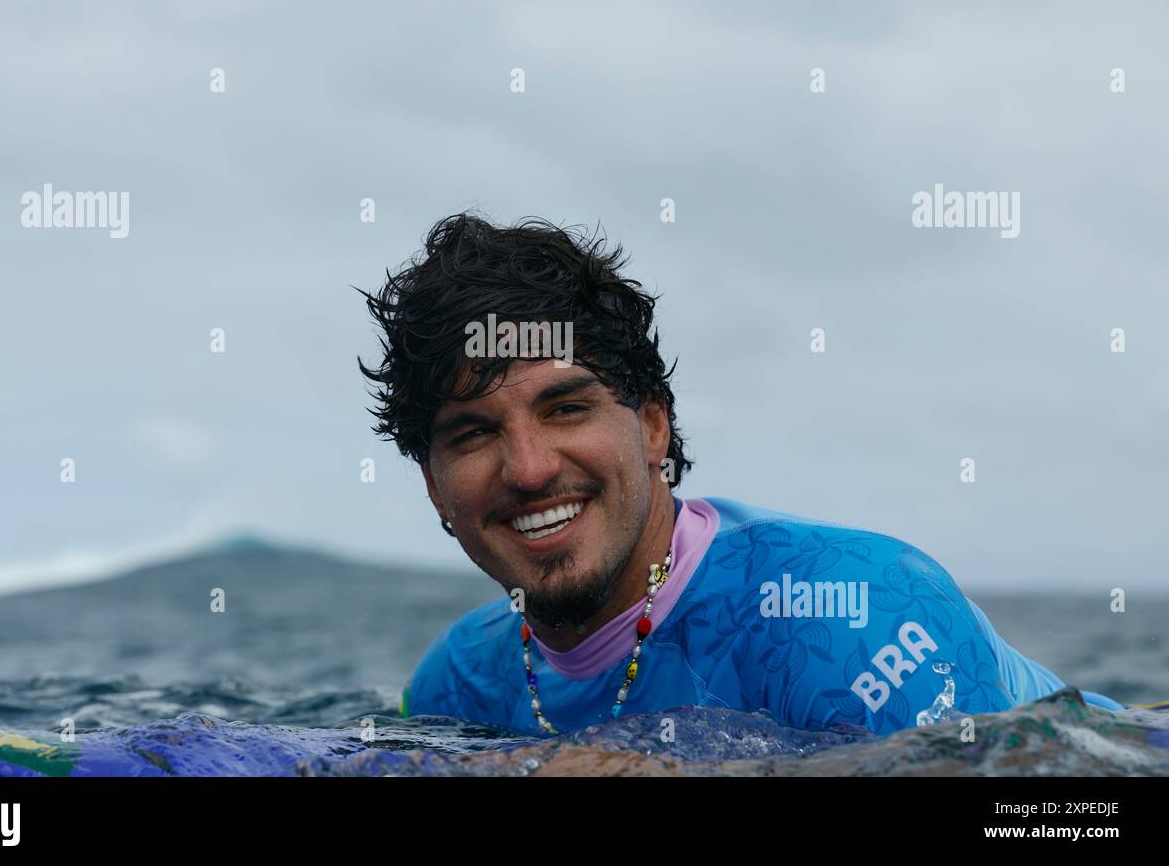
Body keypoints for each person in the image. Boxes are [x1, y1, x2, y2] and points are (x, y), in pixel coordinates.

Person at [356, 213, 1125, 737]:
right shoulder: (455, 686)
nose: (527, 469)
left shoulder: (854, 613)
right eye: (475, 433)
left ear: (652, 424)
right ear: (433, 485)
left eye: (566, 409)